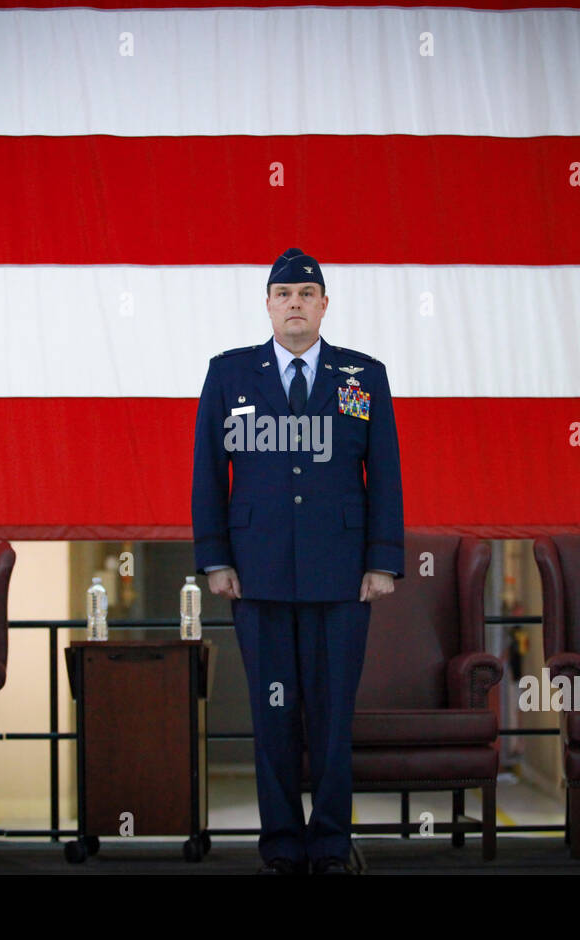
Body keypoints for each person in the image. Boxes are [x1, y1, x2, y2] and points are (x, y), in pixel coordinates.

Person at [192, 247, 405, 874]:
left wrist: (383, 560)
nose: (295, 304)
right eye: (283, 294)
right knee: (274, 714)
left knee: (334, 718)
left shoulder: (363, 376)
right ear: (267, 305)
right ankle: (283, 844)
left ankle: (331, 844)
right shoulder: (230, 375)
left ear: (324, 305)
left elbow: (385, 475)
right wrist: (214, 559)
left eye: (306, 294)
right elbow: (209, 473)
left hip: (342, 577)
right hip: (256, 574)